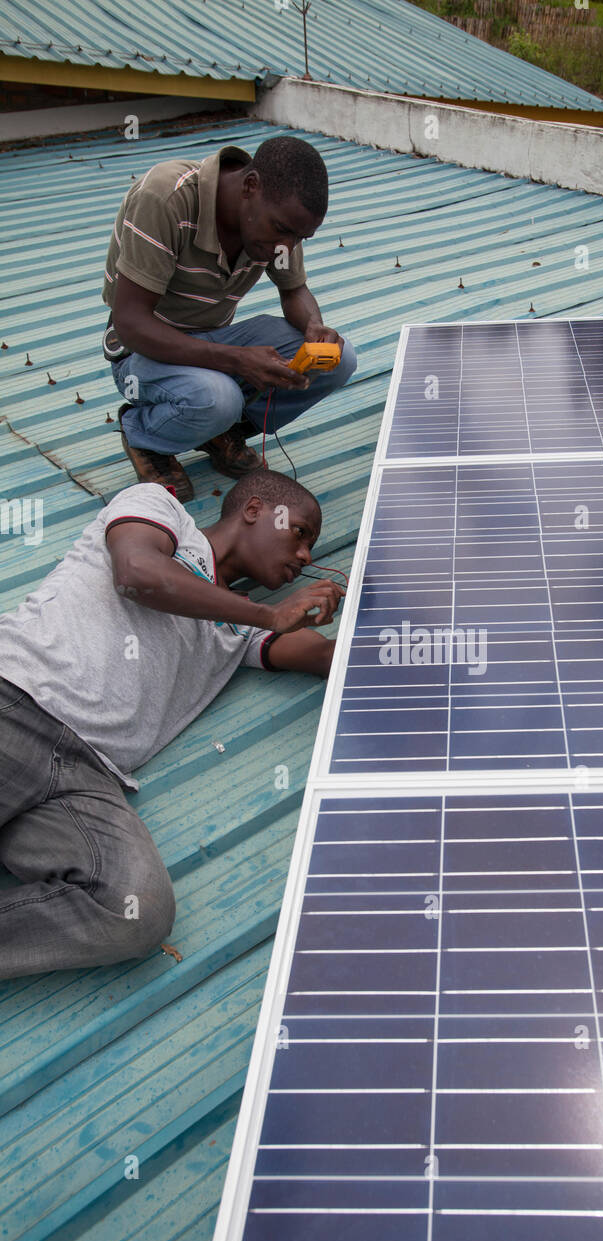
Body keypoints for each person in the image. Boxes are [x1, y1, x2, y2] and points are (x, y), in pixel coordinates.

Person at [0, 468, 344, 980]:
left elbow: (326, 657)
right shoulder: (161, 512)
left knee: (136, 910)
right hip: (20, 704)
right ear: (254, 509)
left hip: (89, 778)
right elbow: (137, 573)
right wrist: (271, 616)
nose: (306, 557)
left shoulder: (239, 628)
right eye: (300, 532)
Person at [103, 134, 357, 501]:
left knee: (340, 358)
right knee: (219, 399)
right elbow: (130, 322)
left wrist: (313, 326)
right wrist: (238, 360)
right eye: (283, 230)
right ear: (250, 186)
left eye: (302, 238)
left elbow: (294, 291)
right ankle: (143, 432)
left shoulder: (278, 226)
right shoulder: (165, 197)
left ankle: (221, 432)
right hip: (141, 351)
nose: (286, 248)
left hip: (211, 343)